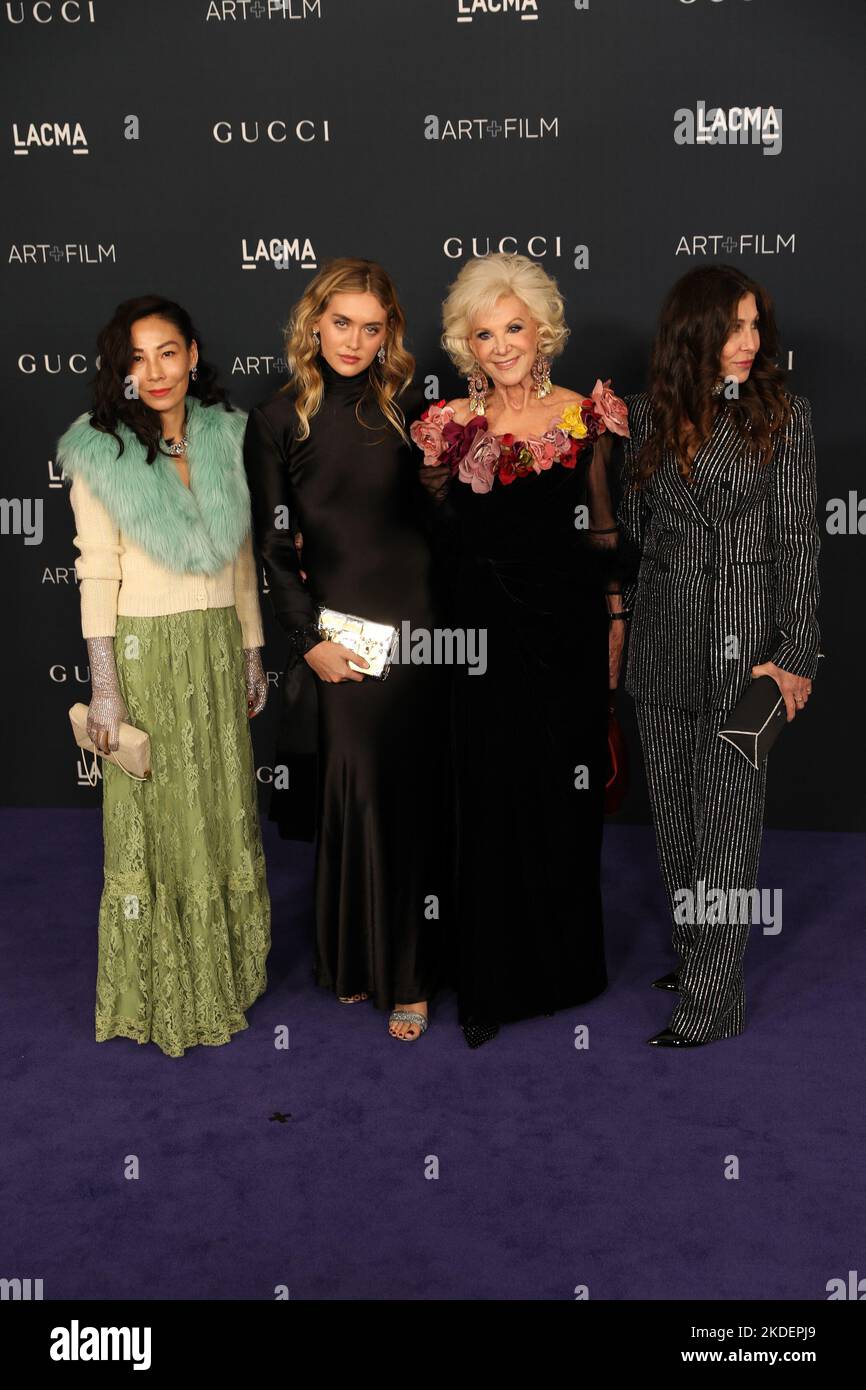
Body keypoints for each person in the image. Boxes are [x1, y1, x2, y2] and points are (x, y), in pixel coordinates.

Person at [411, 252, 630, 1047]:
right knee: (488, 802)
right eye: (484, 333)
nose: (502, 344)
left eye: (515, 327)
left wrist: (614, 621)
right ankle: (489, 980)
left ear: (543, 331)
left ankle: (564, 968)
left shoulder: (587, 417)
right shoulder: (451, 428)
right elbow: (433, 537)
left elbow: (604, 531)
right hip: (478, 640)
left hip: (565, 634)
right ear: (466, 346)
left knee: (561, 801)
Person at [58, 295, 271, 1058]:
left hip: (215, 648)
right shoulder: (98, 450)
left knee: (217, 807)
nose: (155, 372)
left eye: (168, 353)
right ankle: (163, 983)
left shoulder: (227, 435)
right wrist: (106, 684)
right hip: (145, 656)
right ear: (119, 372)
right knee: (159, 820)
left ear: (193, 354)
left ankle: (227, 968)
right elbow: (95, 573)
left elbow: (243, 559)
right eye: (136, 359)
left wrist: (250, 649)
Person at [243, 258, 449, 1043]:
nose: (354, 341)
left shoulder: (410, 411)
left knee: (406, 798)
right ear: (314, 322)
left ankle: (410, 973)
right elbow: (271, 547)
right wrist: (308, 640)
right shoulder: (277, 420)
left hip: (422, 622)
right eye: (341, 323)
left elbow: (434, 525)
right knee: (355, 792)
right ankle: (354, 954)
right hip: (342, 635)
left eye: (372, 327)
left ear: (389, 332)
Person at [618, 264, 821, 1046]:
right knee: (674, 821)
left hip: (753, 660)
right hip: (664, 643)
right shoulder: (644, 418)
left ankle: (712, 1000)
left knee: (729, 825)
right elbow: (633, 532)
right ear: (691, 332)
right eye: (733, 326)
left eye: (755, 325)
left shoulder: (783, 416)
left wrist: (797, 653)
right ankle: (699, 951)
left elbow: (801, 543)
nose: (749, 342)